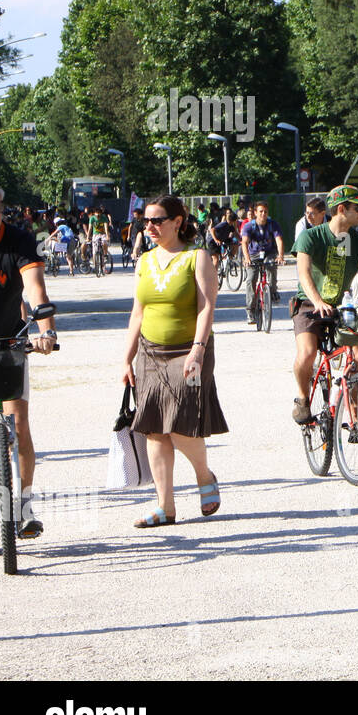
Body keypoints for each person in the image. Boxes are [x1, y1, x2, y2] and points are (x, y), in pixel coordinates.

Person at [121, 195, 226, 528]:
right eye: (145, 222)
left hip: (188, 351)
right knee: (153, 429)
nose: (150, 227)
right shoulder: (145, 261)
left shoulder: (198, 257)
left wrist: (198, 348)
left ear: (178, 221)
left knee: (181, 426)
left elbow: (207, 306)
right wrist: (127, 358)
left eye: (157, 220)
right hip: (151, 353)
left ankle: (204, 475)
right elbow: (138, 311)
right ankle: (165, 508)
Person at [290, 186, 358, 425]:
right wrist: (317, 301)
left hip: (341, 306)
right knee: (307, 353)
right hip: (309, 304)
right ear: (341, 209)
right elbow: (303, 273)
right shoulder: (310, 236)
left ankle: (357, 417)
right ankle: (302, 397)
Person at [0, 184, 58, 537]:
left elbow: (35, 289)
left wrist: (45, 330)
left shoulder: (20, 240)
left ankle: (25, 504)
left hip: (10, 341)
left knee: (18, 427)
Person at [241, 201, 286, 320]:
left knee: (272, 266)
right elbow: (244, 242)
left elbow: (279, 240)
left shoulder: (273, 224)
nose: (263, 214)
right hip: (253, 254)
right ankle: (250, 309)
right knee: (251, 279)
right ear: (255, 213)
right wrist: (247, 259)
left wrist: (280, 256)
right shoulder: (249, 226)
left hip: (269, 252)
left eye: (265, 211)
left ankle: (273, 290)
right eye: (260, 211)